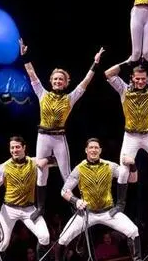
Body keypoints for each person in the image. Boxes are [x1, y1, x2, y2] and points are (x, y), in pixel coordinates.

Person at [46, 138, 144, 261]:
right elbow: (64, 191)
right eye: (91, 147)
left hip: (108, 212)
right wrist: (75, 201)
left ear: (100, 150)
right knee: (63, 238)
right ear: (86, 150)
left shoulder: (109, 166)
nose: (93, 150)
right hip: (87, 213)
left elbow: (132, 179)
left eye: (96, 148)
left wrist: (133, 165)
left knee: (133, 230)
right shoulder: (79, 169)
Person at [20, 39, 105, 199]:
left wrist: (95, 63)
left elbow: (85, 82)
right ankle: (40, 208)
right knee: (41, 172)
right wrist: (25, 57)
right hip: (43, 137)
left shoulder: (70, 98)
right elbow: (32, 74)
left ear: (66, 83)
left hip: (59, 138)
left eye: (61, 79)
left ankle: (75, 206)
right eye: (55, 79)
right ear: (51, 81)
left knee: (66, 174)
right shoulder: (42, 93)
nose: (58, 81)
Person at [104, 59, 148, 197]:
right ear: (132, 78)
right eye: (137, 78)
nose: (140, 81)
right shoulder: (124, 89)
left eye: (143, 79)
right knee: (124, 170)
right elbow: (108, 74)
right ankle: (120, 204)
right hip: (130, 136)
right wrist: (128, 62)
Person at [0, 136, 52, 261]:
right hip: (9, 210)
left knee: (45, 237)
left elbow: (57, 161)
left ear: (24, 148)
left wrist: (46, 160)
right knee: (3, 243)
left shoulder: (34, 162)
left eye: (17, 147)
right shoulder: (4, 166)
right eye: (12, 147)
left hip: (29, 209)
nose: (14, 150)